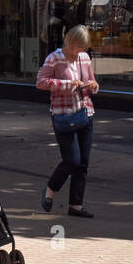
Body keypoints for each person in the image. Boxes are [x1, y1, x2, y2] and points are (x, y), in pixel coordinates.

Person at [36, 24, 99, 216]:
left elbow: (91, 83)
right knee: (71, 160)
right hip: (63, 114)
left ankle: (76, 205)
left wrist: (93, 86)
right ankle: (50, 190)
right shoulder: (54, 58)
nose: (77, 51)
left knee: (83, 162)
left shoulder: (84, 58)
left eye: (82, 47)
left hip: (85, 113)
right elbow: (40, 82)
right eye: (76, 46)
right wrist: (67, 84)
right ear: (69, 41)